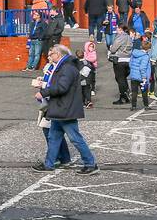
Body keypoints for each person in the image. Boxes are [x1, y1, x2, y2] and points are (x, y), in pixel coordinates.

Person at [34, 44, 98, 174]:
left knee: (75, 138)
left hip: (65, 108)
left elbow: (62, 87)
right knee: (53, 137)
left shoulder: (67, 68)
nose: (50, 56)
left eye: (51, 54)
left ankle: (90, 164)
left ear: (59, 54)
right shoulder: (65, 66)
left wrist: (44, 92)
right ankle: (49, 164)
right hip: (60, 108)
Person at [32, 54, 71, 168]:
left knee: (51, 132)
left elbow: (55, 86)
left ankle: (56, 159)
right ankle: (63, 157)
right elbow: (49, 82)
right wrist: (41, 81)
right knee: (56, 131)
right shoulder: (50, 67)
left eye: (51, 54)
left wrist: (43, 89)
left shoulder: (58, 69)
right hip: (50, 103)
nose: (49, 57)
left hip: (53, 104)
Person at [108, 25, 133, 105]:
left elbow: (113, 49)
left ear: (121, 30)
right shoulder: (129, 37)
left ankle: (123, 97)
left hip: (120, 60)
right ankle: (127, 94)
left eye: (117, 29)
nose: (116, 30)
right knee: (123, 78)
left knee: (120, 79)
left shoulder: (120, 37)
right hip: (128, 60)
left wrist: (111, 47)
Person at [128, 38, 153, 111]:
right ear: (148, 49)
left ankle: (133, 106)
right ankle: (146, 105)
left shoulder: (134, 54)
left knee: (134, 92)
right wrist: (144, 77)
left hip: (133, 76)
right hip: (142, 77)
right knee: (144, 92)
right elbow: (143, 68)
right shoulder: (145, 56)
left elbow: (130, 64)